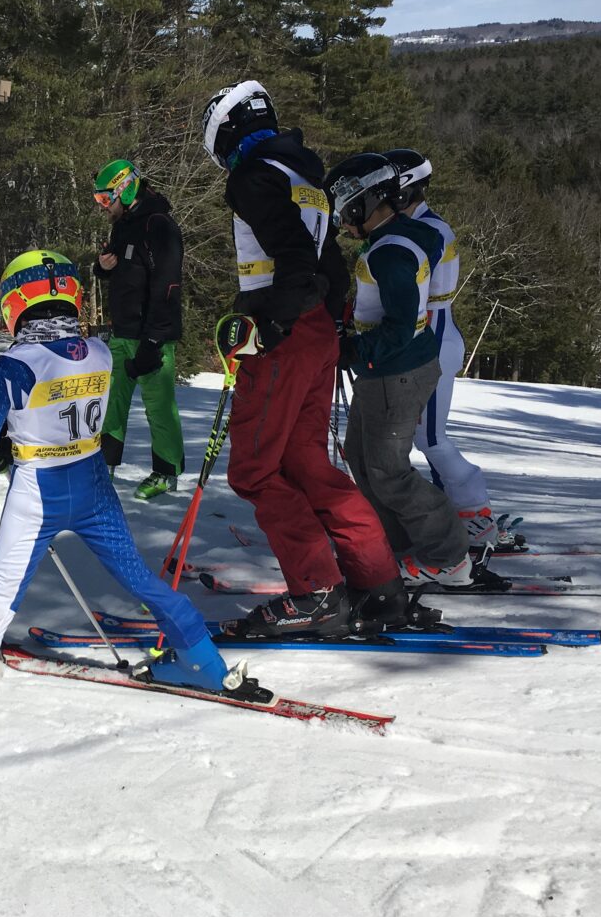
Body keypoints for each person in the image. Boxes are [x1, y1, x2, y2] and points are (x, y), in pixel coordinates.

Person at [0, 250, 231, 743]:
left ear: (16, 302)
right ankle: (209, 665)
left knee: (0, 598)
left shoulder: (14, 364)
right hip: (94, 485)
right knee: (141, 580)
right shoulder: (99, 351)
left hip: (40, 495)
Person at [199, 81, 404, 636]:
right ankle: (378, 583)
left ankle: (314, 592)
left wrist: (269, 325)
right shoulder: (303, 175)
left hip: (283, 334)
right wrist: (327, 328)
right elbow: (327, 262)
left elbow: (291, 255)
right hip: (314, 330)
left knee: (255, 469)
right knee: (307, 464)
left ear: (229, 130)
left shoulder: (253, 175)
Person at [328, 154, 473, 587]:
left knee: (389, 471)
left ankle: (449, 556)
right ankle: (399, 547)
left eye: (344, 208)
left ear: (364, 202)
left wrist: (349, 350)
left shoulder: (391, 251)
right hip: (387, 371)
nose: (342, 221)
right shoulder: (401, 235)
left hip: (397, 373)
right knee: (364, 461)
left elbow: (399, 329)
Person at [382, 148, 497, 549]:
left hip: (433, 341)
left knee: (430, 438)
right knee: (421, 438)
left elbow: (423, 298)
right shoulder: (415, 226)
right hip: (430, 341)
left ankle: (475, 517)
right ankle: (452, 515)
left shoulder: (432, 229)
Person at [90, 159, 185, 500]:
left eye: (105, 200)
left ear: (124, 189)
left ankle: (166, 472)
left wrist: (154, 340)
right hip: (122, 333)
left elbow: (168, 288)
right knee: (112, 402)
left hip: (153, 336)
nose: (103, 208)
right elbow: (115, 267)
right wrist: (101, 268)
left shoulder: (159, 225)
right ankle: (105, 467)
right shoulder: (124, 225)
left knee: (159, 408)